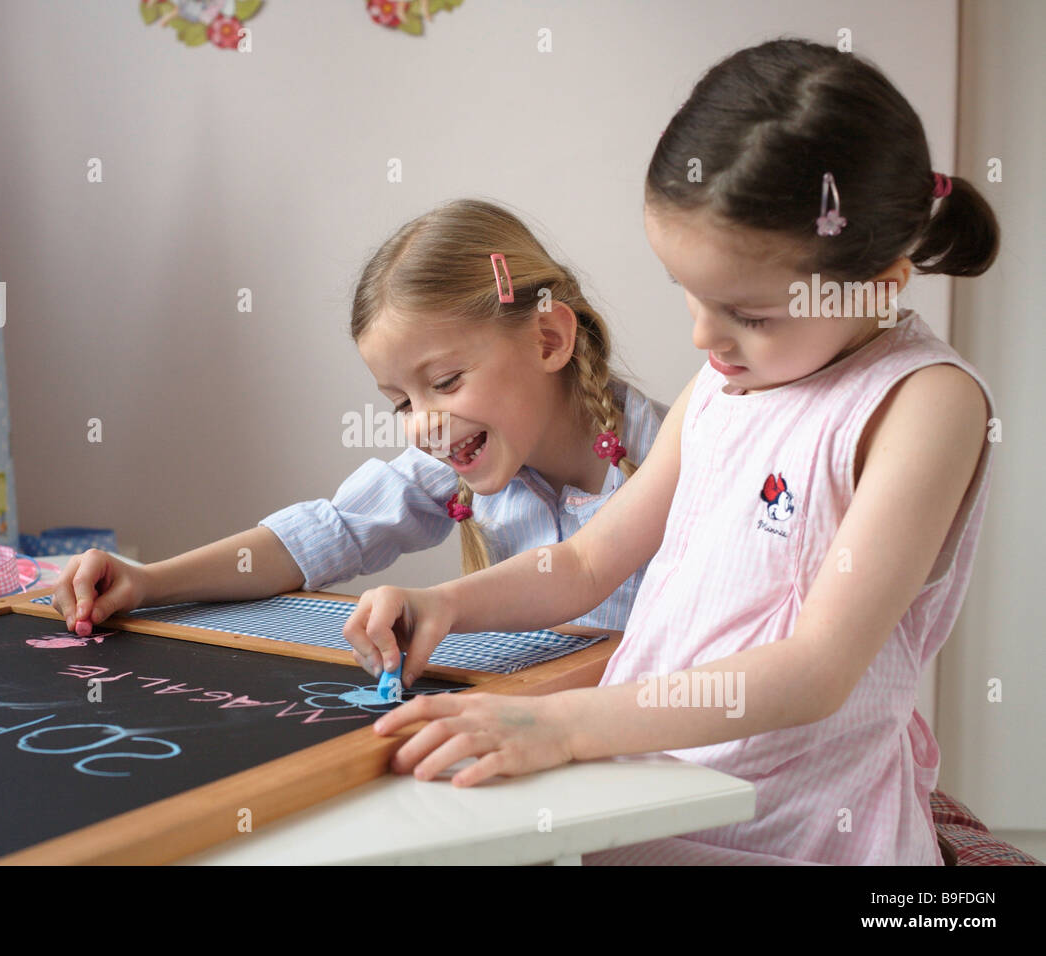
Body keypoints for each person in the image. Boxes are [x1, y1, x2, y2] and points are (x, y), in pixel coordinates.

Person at [345, 39, 999, 865]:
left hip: (797, 833)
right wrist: (448, 604)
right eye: (687, 291)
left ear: (881, 280)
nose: (702, 335)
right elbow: (586, 564)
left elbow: (818, 668)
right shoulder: (724, 384)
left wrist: (558, 724)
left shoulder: (924, 403)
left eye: (749, 312)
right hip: (645, 804)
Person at [52, 199, 667, 671]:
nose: (423, 422)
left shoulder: (671, 455)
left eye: (446, 381)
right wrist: (150, 580)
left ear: (547, 340)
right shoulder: (456, 462)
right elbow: (328, 531)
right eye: (401, 401)